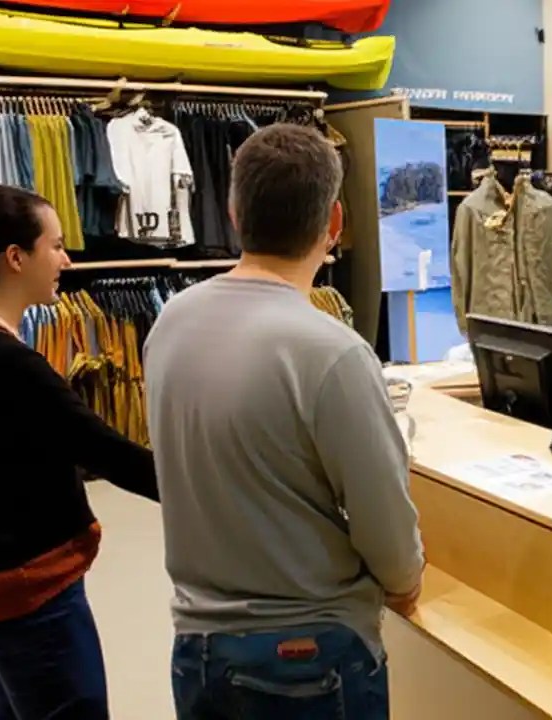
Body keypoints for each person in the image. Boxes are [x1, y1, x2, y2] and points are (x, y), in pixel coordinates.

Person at [143, 124, 425, 720]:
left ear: (232, 210)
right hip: (307, 655)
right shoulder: (332, 352)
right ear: (336, 223)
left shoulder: (171, 322)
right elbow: (388, 532)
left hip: (198, 645)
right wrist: (404, 579)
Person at [0, 185, 159, 719]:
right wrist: (221, 485)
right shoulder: (6, 361)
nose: (67, 258)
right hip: (28, 590)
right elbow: (107, 452)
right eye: (56, 245)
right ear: (15, 258)